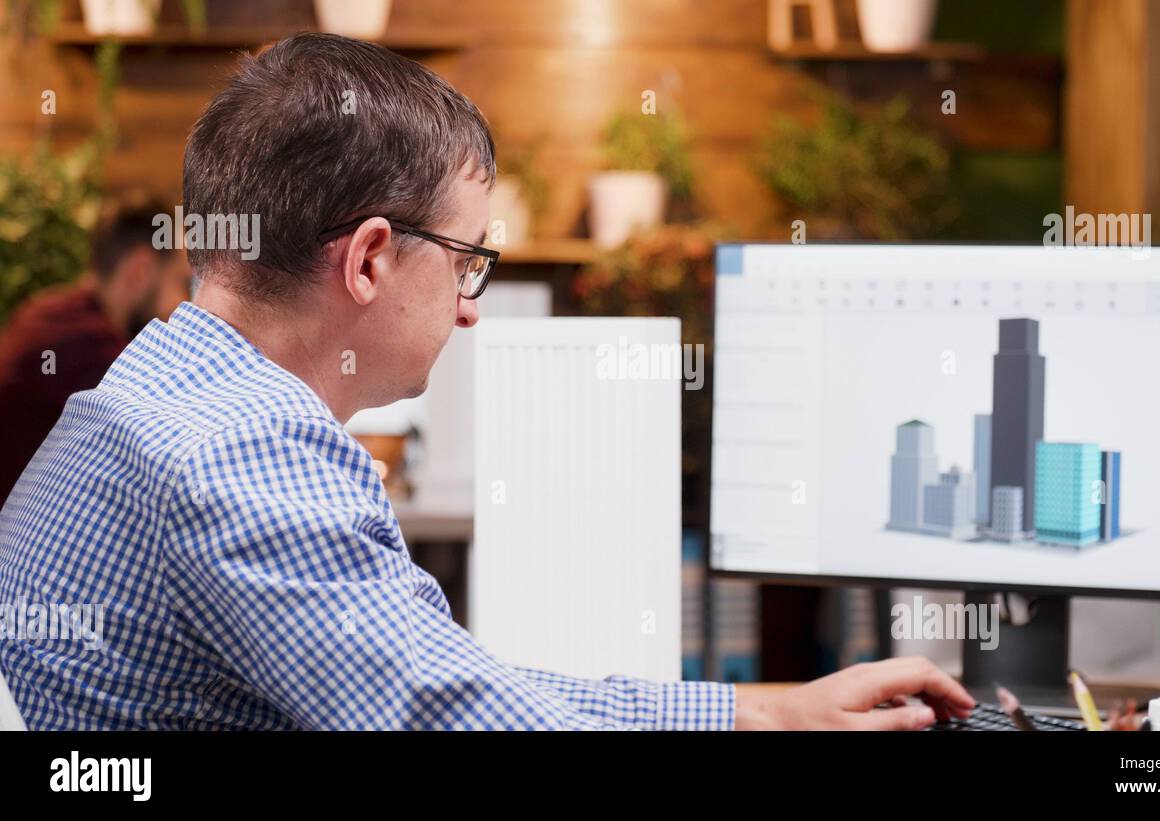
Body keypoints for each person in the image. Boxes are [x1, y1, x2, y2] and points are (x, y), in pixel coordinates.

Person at [0, 33, 974, 730]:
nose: (471, 305)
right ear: (371, 258)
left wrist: (763, 709)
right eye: (469, 260)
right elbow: (455, 716)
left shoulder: (147, 393)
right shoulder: (247, 449)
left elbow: (449, 684)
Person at [0, 198, 190, 503]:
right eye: (180, 283)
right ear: (139, 271)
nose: (182, 304)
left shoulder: (45, 312)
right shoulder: (93, 351)